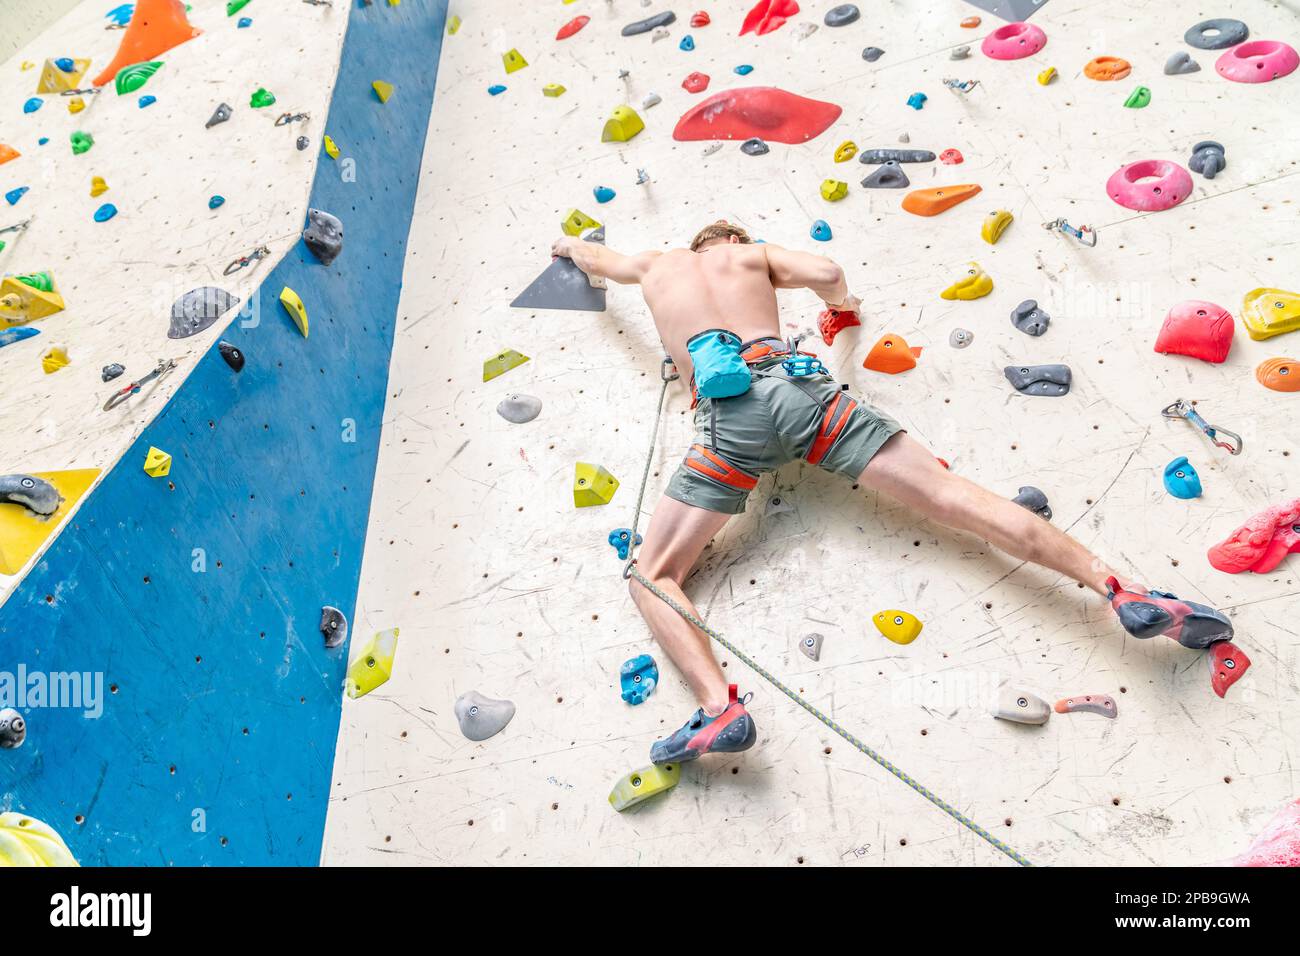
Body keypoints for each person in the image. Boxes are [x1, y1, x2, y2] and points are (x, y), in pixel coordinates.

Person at [550, 220, 1244, 765]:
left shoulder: (656, 264)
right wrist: (840, 310)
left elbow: (590, 257)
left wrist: (568, 246)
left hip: (730, 422)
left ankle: (718, 707)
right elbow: (826, 273)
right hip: (805, 395)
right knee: (953, 496)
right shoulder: (749, 254)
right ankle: (1118, 589)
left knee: (651, 573)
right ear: (732, 241)